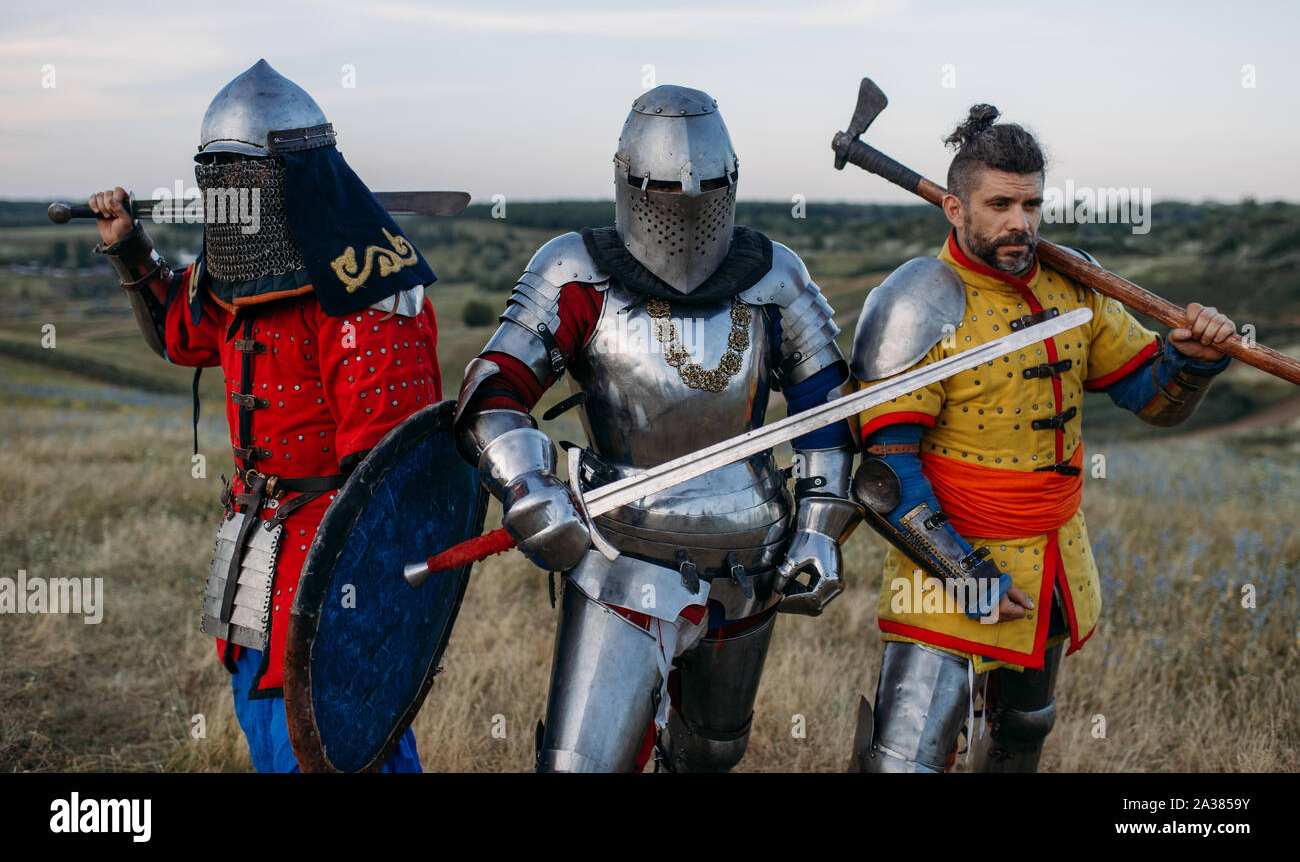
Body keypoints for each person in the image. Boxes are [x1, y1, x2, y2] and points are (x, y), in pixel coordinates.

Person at [453, 85, 862, 772]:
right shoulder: (576, 272)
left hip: (750, 556)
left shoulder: (775, 277)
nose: (687, 209)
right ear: (630, 185)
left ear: (731, 184)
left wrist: (819, 531)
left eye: (705, 191)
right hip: (619, 553)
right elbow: (494, 391)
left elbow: (827, 418)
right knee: (581, 762)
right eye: (666, 190)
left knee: (709, 755)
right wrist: (527, 483)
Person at [848, 103, 1236, 772]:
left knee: (1021, 735)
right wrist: (972, 579)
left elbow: (1152, 399)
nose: (1019, 223)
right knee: (906, 760)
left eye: (1032, 204)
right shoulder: (918, 302)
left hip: (1053, 561)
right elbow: (884, 479)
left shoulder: (1071, 284)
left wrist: (1192, 358)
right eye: (999, 204)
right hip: (945, 568)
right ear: (954, 207)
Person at [88, 59, 441, 772]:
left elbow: (389, 481)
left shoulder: (366, 290)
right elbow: (181, 335)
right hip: (255, 545)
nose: (224, 197)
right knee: (271, 733)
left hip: (332, 566)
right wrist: (130, 245)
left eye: (236, 177)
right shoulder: (239, 269)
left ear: (286, 177)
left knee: (342, 746)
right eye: (213, 177)